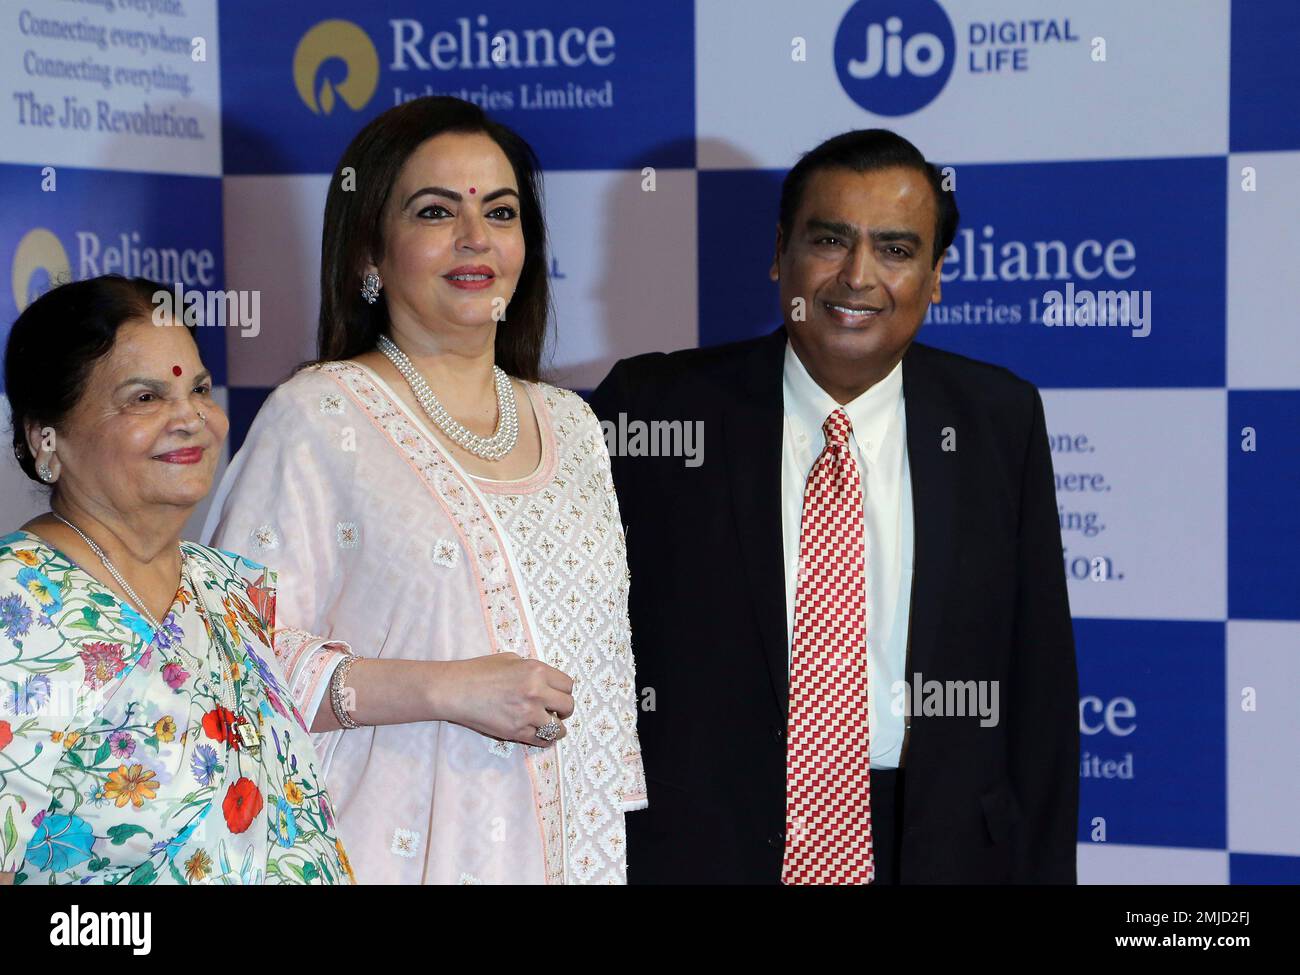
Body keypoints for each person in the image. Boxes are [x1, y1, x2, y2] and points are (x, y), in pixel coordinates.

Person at [589, 129, 1079, 884]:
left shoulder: (997, 419)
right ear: (780, 253)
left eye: (895, 249)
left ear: (936, 275)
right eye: (829, 241)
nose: (858, 278)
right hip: (705, 852)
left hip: (941, 851)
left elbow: (1039, 690)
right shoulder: (656, 407)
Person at [203, 96, 645, 885]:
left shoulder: (572, 424)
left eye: (501, 212)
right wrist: (444, 686)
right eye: (437, 211)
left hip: (570, 856)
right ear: (371, 252)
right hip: (382, 848)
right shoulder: (318, 416)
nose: (476, 238)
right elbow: (233, 660)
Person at [0, 276, 354, 885]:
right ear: (46, 441)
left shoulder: (223, 587)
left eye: (199, 389)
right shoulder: (21, 607)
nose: (191, 418)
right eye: (145, 398)